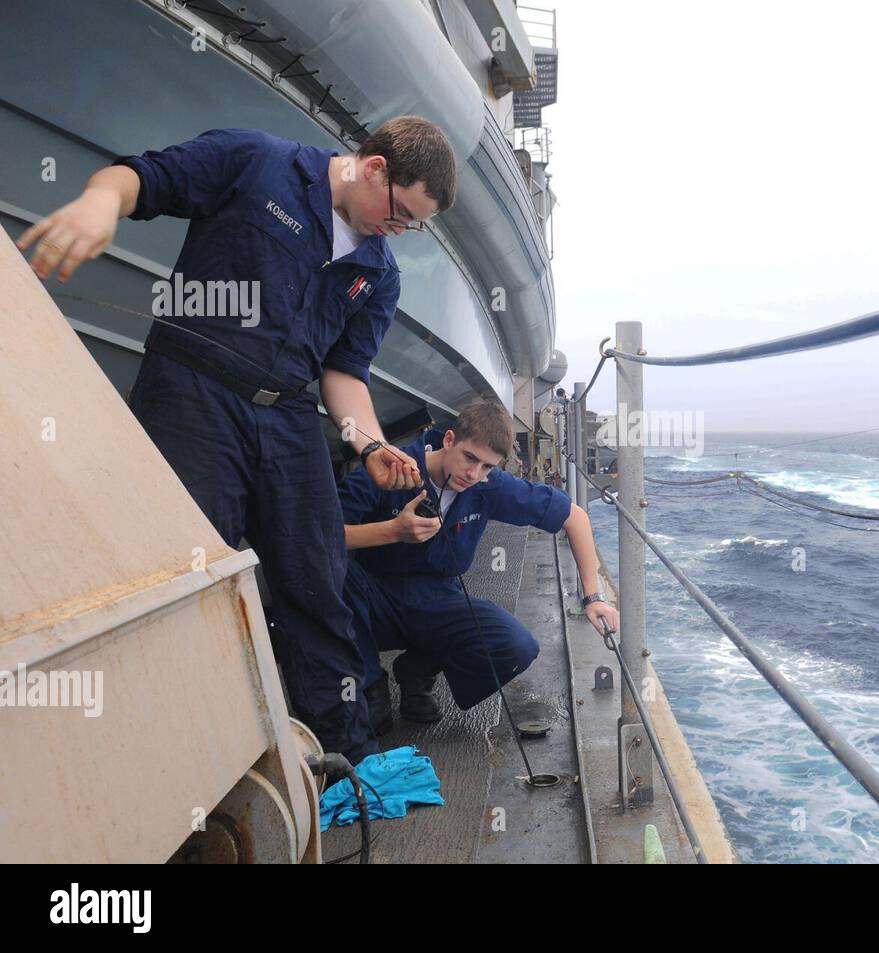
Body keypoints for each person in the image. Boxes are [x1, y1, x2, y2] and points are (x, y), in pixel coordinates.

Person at [17, 117, 458, 763]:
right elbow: (142, 177)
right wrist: (98, 202)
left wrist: (367, 444)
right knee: (186, 573)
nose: (399, 233)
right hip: (192, 392)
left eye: (412, 225)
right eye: (400, 216)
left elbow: (344, 373)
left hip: (288, 416)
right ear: (373, 169)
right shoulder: (256, 160)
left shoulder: (379, 274)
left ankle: (346, 763)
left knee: (320, 579)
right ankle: (178, 758)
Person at [338, 401, 619, 729]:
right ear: (449, 440)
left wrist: (593, 596)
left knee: (517, 646)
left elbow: (575, 516)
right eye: (470, 457)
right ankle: (371, 683)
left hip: (436, 600)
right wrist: (392, 531)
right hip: (371, 601)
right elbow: (317, 536)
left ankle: (418, 669)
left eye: (487, 466)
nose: (474, 474)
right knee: (329, 571)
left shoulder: (488, 485)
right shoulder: (391, 468)